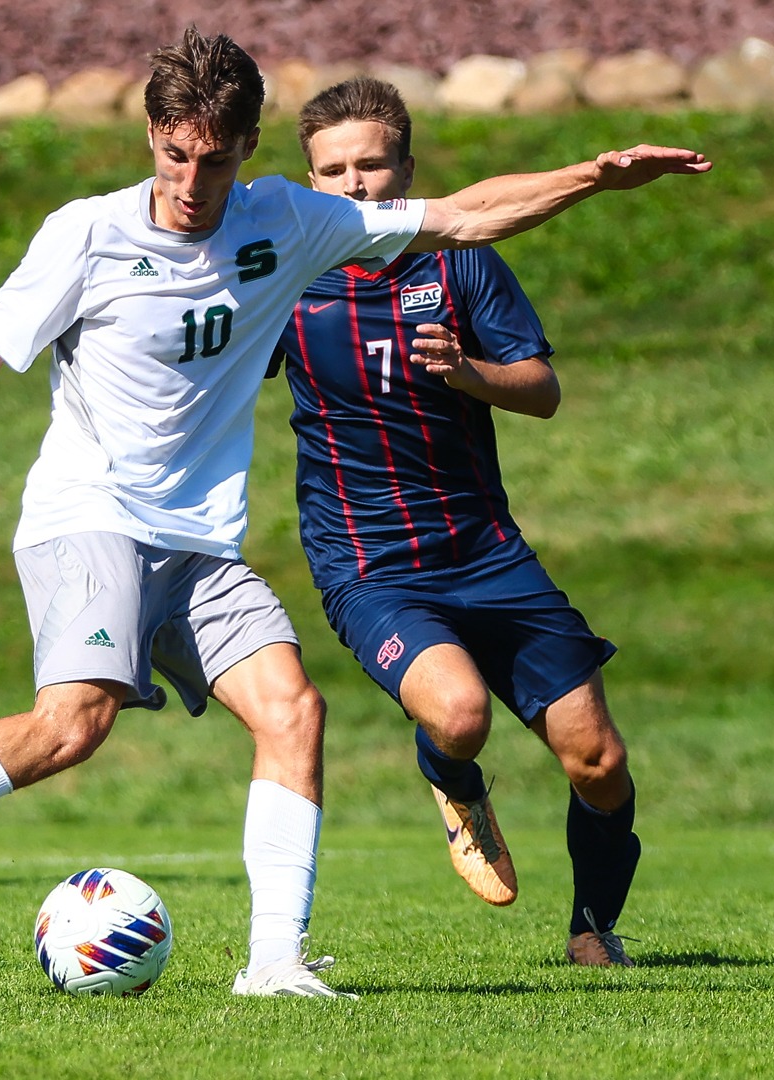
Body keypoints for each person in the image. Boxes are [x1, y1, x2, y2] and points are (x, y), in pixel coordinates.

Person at [0, 28, 706, 996]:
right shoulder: (87, 232)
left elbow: (465, 216)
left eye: (213, 159)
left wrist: (594, 175)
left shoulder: (289, 224)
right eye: (174, 155)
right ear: (151, 139)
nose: (189, 180)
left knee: (293, 711)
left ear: (248, 148)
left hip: (197, 544)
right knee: (73, 724)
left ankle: (273, 965)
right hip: (93, 518)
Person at [274, 78, 642, 966]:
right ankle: (452, 779)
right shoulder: (282, 276)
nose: (354, 184)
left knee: (597, 759)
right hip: (368, 565)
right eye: (333, 170)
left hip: (486, 553)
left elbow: (543, 390)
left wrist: (472, 373)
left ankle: (593, 930)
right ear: (309, 180)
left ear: (407, 169)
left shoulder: (460, 261)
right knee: (461, 713)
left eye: (372, 165)